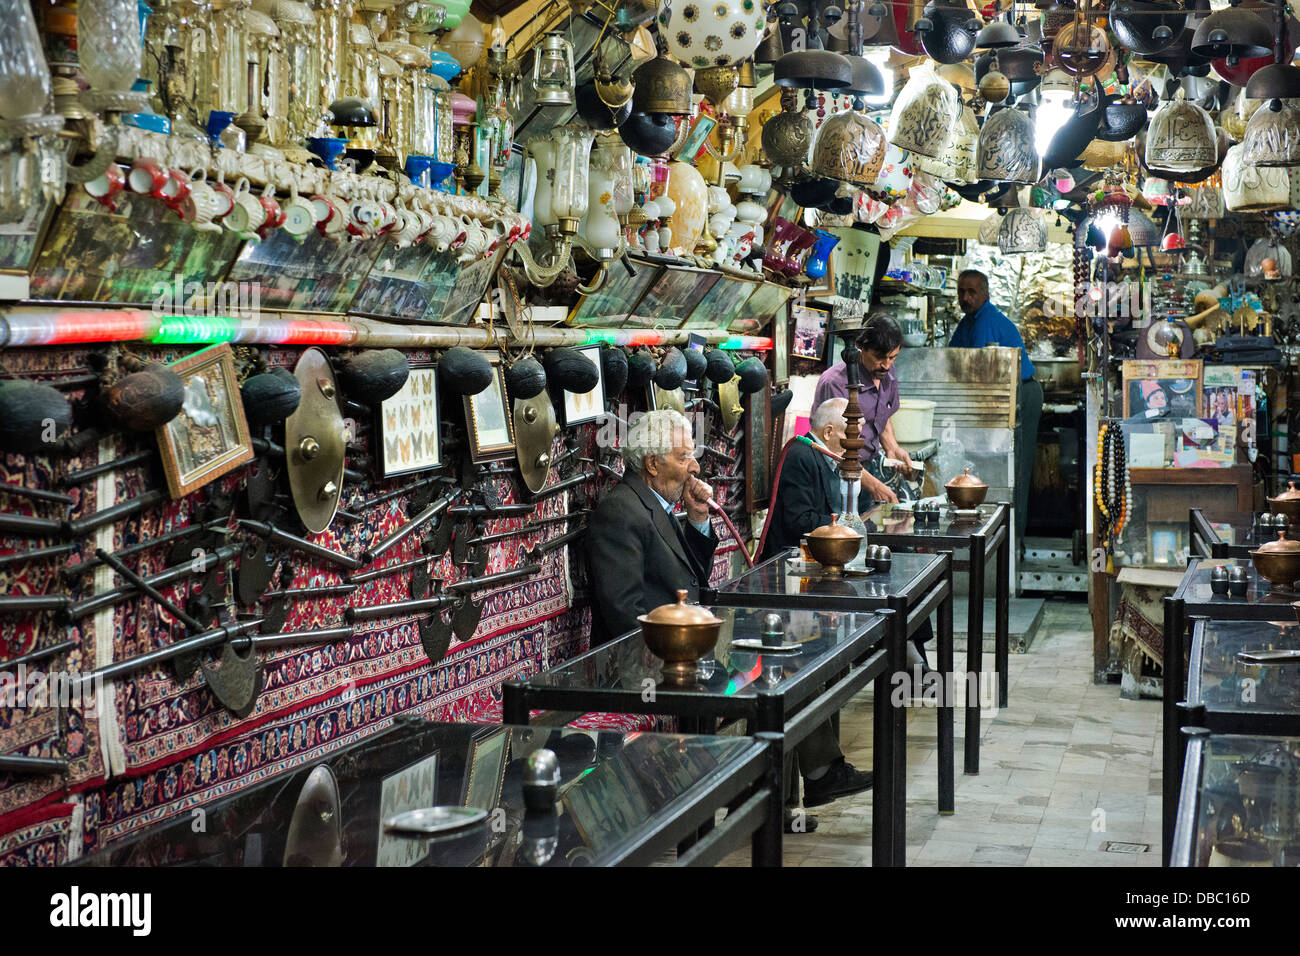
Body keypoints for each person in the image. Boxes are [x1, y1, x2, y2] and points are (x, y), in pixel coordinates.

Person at [587, 410, 717, 647]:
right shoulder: (620, 512)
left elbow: (696, 579)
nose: (695, 467)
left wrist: (698, 517)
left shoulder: (655, 504)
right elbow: (624, 613)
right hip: (645, 667)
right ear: (653, 463)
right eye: (684, 457)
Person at [950, 269, 1043, 550]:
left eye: (972, 292)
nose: (965, 297)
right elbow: (951, 357)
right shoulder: (968, 321)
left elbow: (978, 371)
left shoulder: (985, 322)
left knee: (1017, 471)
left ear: (985, 294)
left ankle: (1015, 545)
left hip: (1021, 395)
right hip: (1002, 396)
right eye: (961, 291)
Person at [810, 313, 915, 511]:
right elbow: (832, 449)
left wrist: (893, 449)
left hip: (867, 469)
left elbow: (880, 415)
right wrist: (874, 485)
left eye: (892, 357)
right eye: (879, 357)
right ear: (861, 348)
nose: (886, 364)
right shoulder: (836, 383)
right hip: (835, 476)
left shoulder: (887, 373)